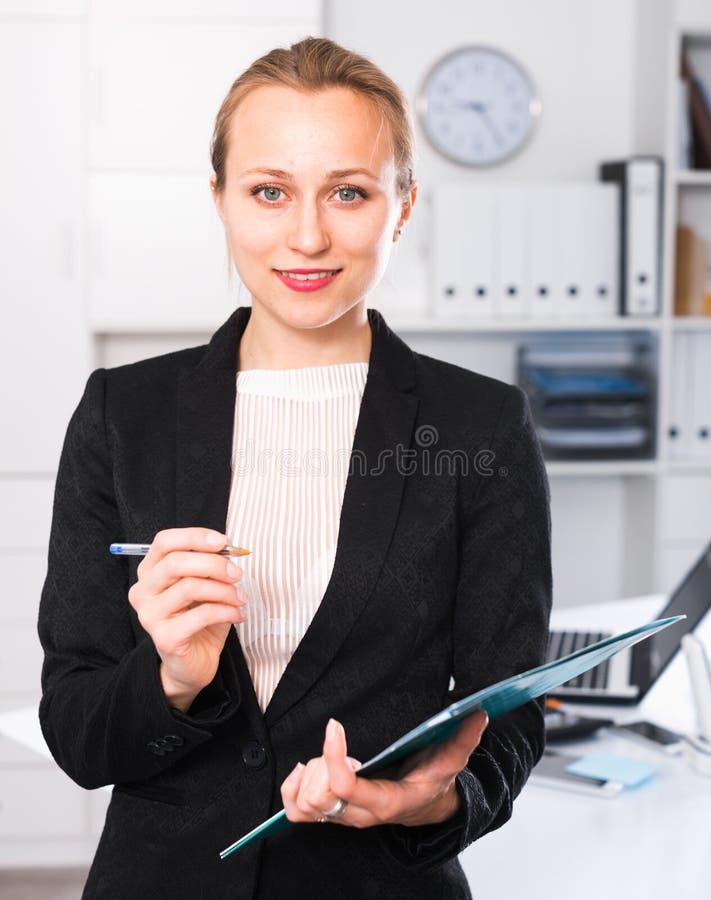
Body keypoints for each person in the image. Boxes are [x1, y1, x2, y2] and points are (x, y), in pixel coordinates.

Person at [37, 36, 552, 900]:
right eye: (269, 191)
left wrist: (415, 804)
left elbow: (508, 717)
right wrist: (172, 678)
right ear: (221, 201)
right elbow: (79, 734)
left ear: (402, 205)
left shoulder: (481, 427)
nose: (306, 235)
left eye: (347, 192)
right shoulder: (121, 416)